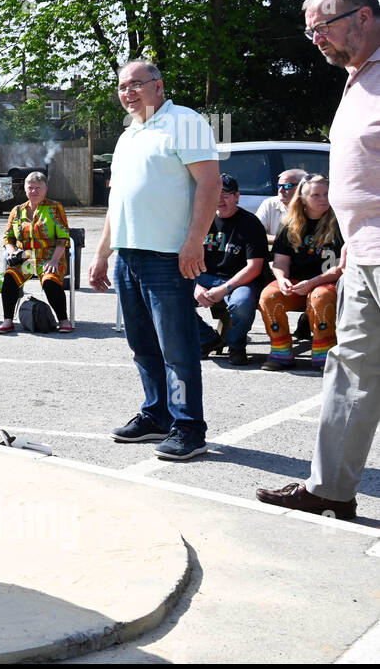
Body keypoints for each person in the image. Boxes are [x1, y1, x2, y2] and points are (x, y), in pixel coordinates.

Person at [257, 0, 380, 521]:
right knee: (349, 371)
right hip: (363, 256)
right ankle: (330, 489)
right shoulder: (357, 82)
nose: (316, 40)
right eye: (310, 32)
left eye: (322, 27)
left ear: (364, 17)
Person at [89, 60, 220, 461]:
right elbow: (118, 201)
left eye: (136, 85)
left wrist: (194, 242)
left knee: (177, 348)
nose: (128, 93)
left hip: (168, 257)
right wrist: (101, 254)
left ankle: (188, 428)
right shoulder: (129, 135)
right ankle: (157, 415)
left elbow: (210, 183)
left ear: (159, 86)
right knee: (142, 344)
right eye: (122, 87)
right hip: (128, 256)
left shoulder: (185, 121)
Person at [256, 174, 344, 372]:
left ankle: (324, 354)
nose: (323, 199)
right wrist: (282, 279)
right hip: (296, 282)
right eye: (316, 195)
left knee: (320, 296)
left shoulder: (339, 223)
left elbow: (340, 267)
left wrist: (312, 283)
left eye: (327, 194)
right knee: (269, 296)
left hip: (328, 283)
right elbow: (279, 262)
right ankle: (281, 352)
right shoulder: (290, 225)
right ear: (302, 199)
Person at [194, 174, 269, 366]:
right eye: (215, 193)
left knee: (241, 303)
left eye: (225, 194)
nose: (219, 199)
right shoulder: (200, 220)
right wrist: (195, 285)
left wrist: (224, 289)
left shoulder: (250, 223)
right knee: (170, 298)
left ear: (237, 196)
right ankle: (208, 339)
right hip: (203, 278)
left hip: (238, 281)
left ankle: (236, 345)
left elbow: (255, 267)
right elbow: (187, 257)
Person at [0, 171, 73, 334]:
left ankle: (64, 320)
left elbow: (63, 238)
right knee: (9, 278)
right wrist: (10, 252)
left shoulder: (55, 208)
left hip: (50, 256)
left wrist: (53, 261)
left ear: (45, 190)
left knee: (50, 281)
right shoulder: (17, 210)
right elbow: (8, 237)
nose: (34, 191)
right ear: (25, 189)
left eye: (38, 188)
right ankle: (8, 321)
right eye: (30, 188)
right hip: (27, 259)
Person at [255, 168, 307, 246]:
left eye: (287, 186)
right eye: (279, 186)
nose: (280, 190)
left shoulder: (311, 206)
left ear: (302, 187)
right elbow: (254, 234)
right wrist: (283, 241)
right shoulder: (269, 204)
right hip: (275, 254)